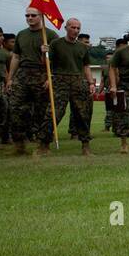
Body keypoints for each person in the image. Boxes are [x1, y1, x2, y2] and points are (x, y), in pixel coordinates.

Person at [5, 6, 60, 156]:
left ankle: (43, 144)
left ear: (41, 16)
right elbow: (16, 57)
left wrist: (51, 77)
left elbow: (57, 60)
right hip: (23, 74)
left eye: (33, 15)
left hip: (42, 74)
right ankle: (19, 144)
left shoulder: (50, 35)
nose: (29, 18)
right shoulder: (21, 35)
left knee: (42, 111)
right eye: (27, 15)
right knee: (15, 109)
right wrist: (10, 78)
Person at [49, 17, 94, 154]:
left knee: (82, 114)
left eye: (78, 28)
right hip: (59, 80)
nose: (75, 30)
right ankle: (43, 144)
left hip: (77, 80)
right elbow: (46, 62)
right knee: (54, 113)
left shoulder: (82, 47)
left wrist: (91, 82)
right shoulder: (56, 44)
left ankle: (85, 146)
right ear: (66, 28)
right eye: (72, 27)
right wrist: (44, 52)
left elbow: (86, 66)